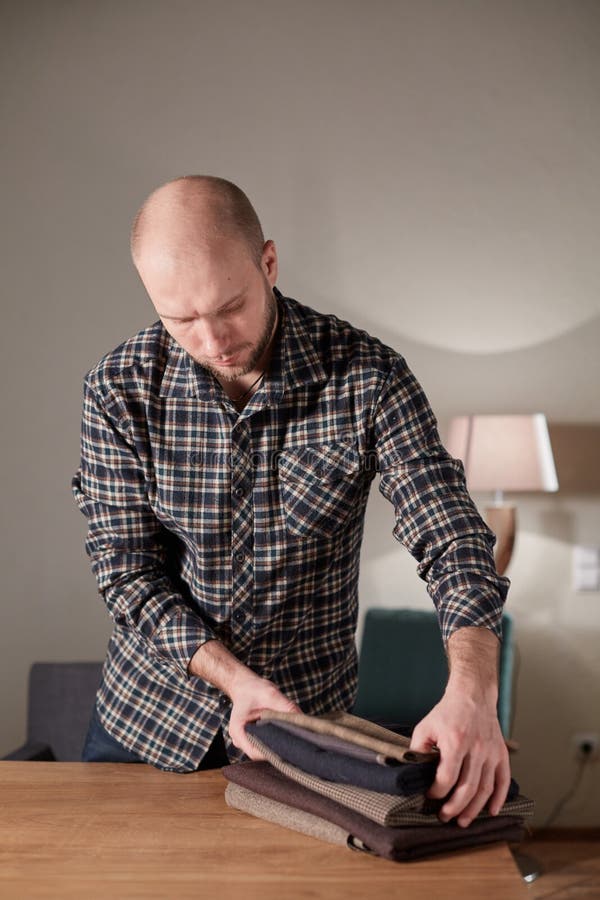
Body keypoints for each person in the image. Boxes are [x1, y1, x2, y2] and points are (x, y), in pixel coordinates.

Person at [73, 175, 511, 826]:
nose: (214, 340)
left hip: (308, 738)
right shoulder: (118, 390)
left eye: (231, 306)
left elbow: (450, 534)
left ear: (269, 264)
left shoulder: (368, 377)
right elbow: (128, 573)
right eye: (182, 320)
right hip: (147, 726)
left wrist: (474, 691)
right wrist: (235, 680)